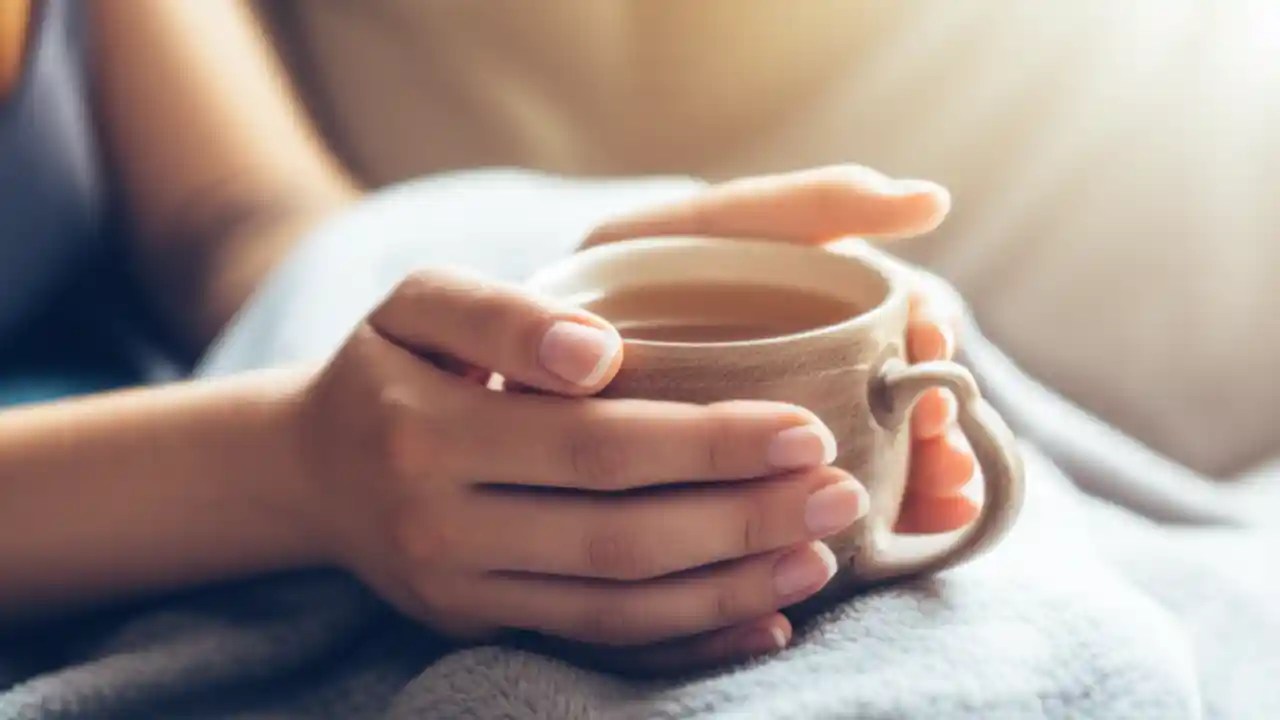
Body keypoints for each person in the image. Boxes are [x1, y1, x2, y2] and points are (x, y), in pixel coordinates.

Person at [0, 0, 977, 673]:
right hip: (145, 505)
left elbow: (237, 226)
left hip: (232, 387)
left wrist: (536, 308)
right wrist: (294, 465)